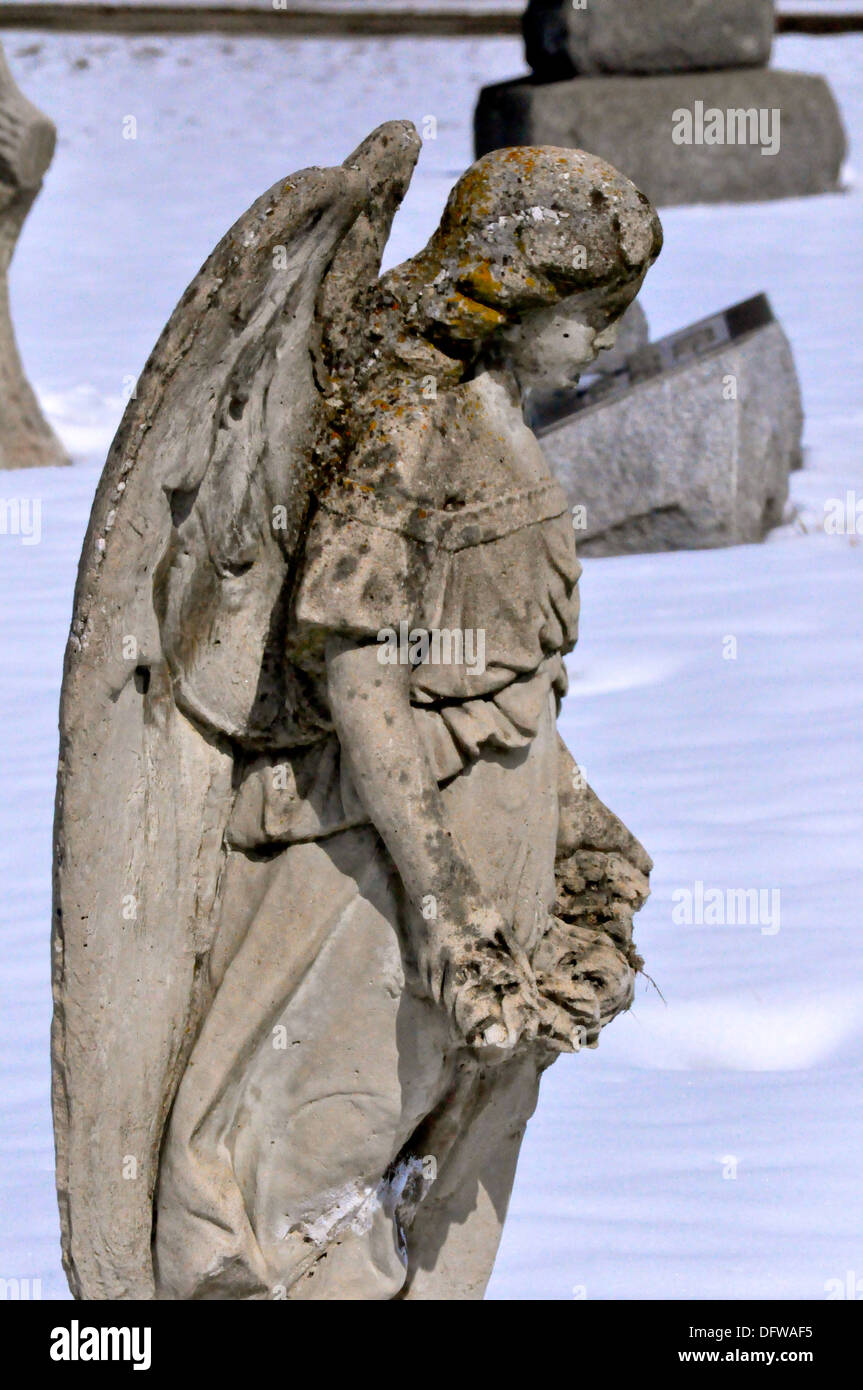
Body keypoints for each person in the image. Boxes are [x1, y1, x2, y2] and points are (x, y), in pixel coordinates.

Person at [153, 145, 661, 1301]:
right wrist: (438, 897)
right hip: (396, 846)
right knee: (329, 1144)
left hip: (503, 832)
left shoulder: (498, 418)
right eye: (590, 315)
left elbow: (509, 680)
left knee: (453, 1152)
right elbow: (357, 668)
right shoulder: (404, 427)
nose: (605, 343)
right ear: (510, 293)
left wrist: (578, 819)